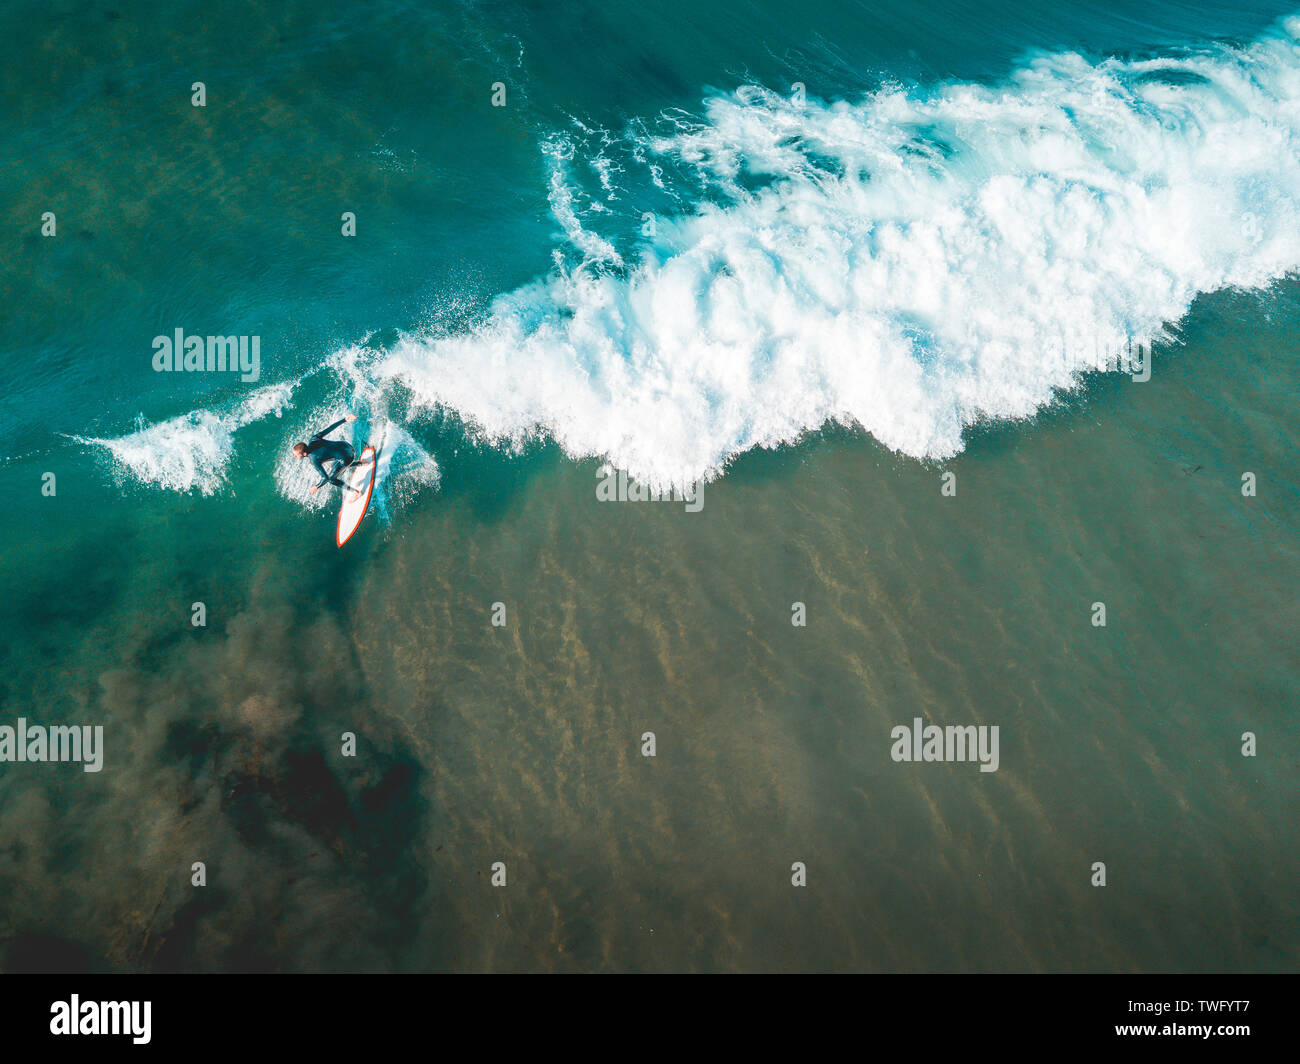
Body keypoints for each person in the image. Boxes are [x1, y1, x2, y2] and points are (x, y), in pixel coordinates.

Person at [292, 414, 363, 500]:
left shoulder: (314, 460)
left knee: (331, 479)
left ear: (304, 454)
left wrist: (316, 486)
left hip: (348, 458)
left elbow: (325, 478)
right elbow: (329, 428)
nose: (294, 456)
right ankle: (360, 463)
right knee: (335, 466)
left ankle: (356, 493)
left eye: (296, 455)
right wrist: (344, 419)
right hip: (347, 446)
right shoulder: (313, 439)